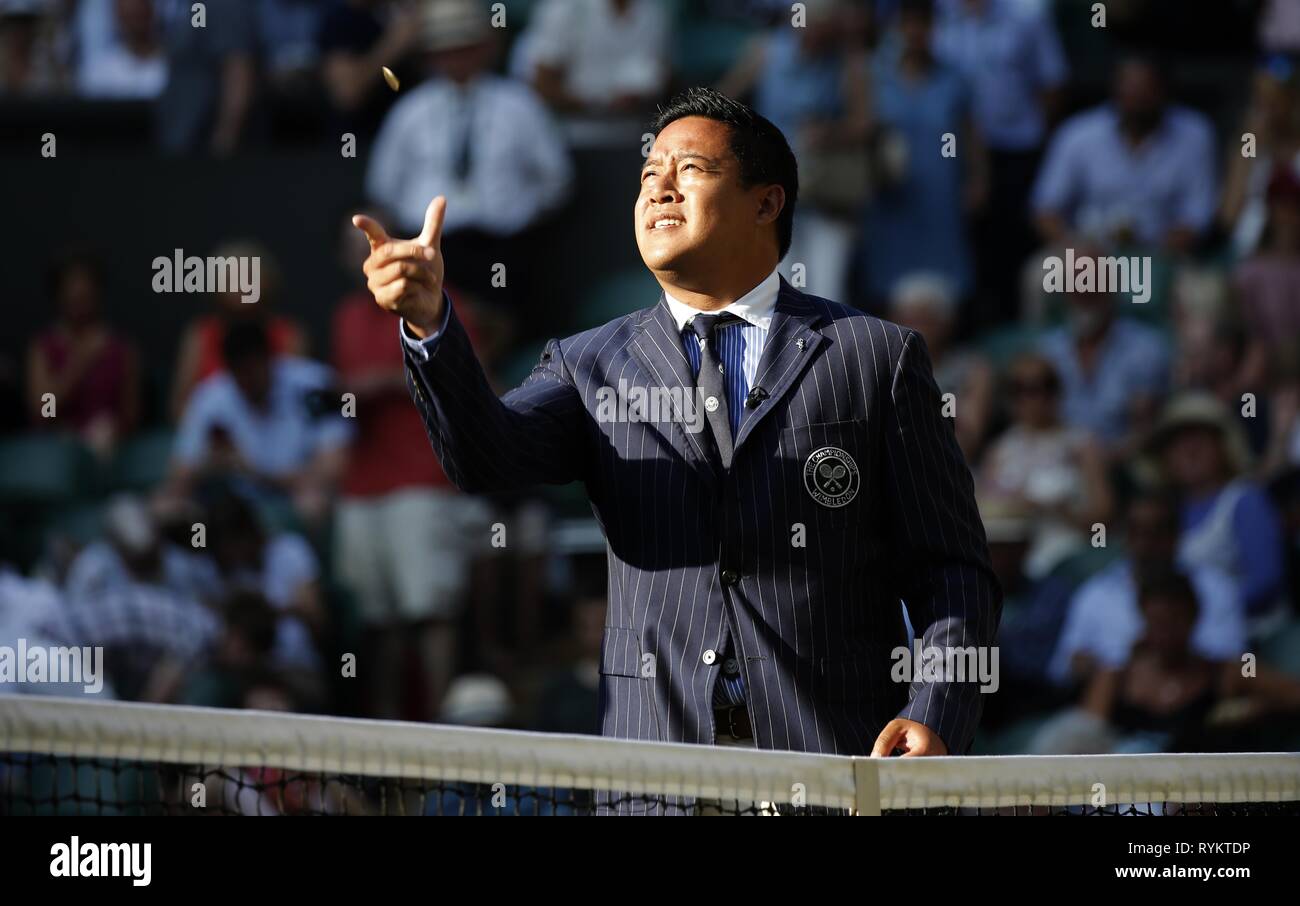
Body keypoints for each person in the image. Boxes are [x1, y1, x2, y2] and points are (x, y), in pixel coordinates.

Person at [354, 86, 1001, 813]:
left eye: (689, 168)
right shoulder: (586, 362)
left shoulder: (873, 358)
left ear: (766, 203)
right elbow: (486, 459)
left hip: (835, 772)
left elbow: (952, 570)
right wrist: (431, 328)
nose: (658, 185)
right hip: (655, 781)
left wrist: (938, 709)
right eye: (646, 173)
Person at [331, 209, 491, 721]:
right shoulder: (347, 319)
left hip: (424, 484)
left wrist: (383, 383)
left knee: (430, 615)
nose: (361, 251)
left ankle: (442, 741)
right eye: (350, 245)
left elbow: (475, 388)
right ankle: (386, 742)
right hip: (360, 491)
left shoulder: (445, 303)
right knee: (378, 627)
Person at [365, 0, 572, 308]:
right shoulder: (409, 111)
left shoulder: (519, 105)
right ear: (431, 55)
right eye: (446, 49)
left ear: (484, 48)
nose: (456, 57)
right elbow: (383, 187)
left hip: (505, 250)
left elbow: (557, 180)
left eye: (465, 46)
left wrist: (519, 216)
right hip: (428, 250)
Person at [857, 0, 986, 311]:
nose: (916, 32)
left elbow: (971, 136)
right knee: (887, 279)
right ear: (897, 29)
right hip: (890, 196)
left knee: (945, 282)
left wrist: (979, 179)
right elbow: (859, 132)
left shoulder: (954, 80)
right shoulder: (873, 76)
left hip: (941, 191)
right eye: (908, 24)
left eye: (923, 24)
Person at [168, 320, 351, 522]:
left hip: (296, 497)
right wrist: (213, 462)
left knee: (312, 502)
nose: (247, 381)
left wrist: (258, 472)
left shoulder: (314, 382)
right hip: (234, 509)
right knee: (168, 509)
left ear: (269, 358)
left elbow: (335, 467)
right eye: (239, 373)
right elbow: (179, 478)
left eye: (252, 369)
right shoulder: (210, 396)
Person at [1032, 53, 1217, 252]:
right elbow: (1045, 208)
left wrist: (1154, 258)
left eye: (1146, 90)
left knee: (1203, 284)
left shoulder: (1195, 134)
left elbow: (1198, 215)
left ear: (1164, 91)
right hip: (1086, 250)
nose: (1137, 98)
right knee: (1044, 277)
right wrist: (1076, 247)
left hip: (1163, 254)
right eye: (1130, 89)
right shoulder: (1077, 134)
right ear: (1114, 90)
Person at [978, 353, 1112, 579]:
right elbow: (982, 512)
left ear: (1055, 392)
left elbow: (1103, 523)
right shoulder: (999, 450)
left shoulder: (1081, 445)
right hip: (1009, 563)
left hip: (1065, 558)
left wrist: (1058, 510)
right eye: (1018, 389)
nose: (1029, 398)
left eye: (1039, 388)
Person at [26, 251, 140, 457]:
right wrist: (78, 365)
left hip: (107, 447)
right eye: (72, 290)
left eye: (86, 291)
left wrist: (114, 427)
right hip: (59, 447)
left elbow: (131, 416)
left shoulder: (120, 349)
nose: (79, 295)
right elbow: (44, 411)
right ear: (59, 295)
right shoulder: (45, 347)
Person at [517, 0, 670, 147]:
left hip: (634, 138)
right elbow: (541, 83)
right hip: (572, 140)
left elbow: (661, 75)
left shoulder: (653, 12)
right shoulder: (563, 8)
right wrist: (600, 103)